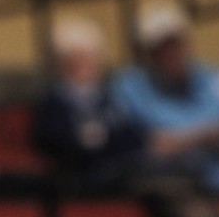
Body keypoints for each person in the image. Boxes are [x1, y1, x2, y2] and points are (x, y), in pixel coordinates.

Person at [112, 2, 219, 195]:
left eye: (176, 44)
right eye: (160, 48)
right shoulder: (130, 88)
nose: (171, 53)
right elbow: (144, 146)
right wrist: (205, 136)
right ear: (145, 53)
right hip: (181, 183)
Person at [32, 15, 145, 188]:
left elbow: (132, 138)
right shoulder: (54, 103)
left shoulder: (111, 99)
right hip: (75, 181)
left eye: (91, 56)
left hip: (120, 174)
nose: (85, 64)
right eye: (76, 57)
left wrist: (100, 139)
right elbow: (58, 141)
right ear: (60, 63)